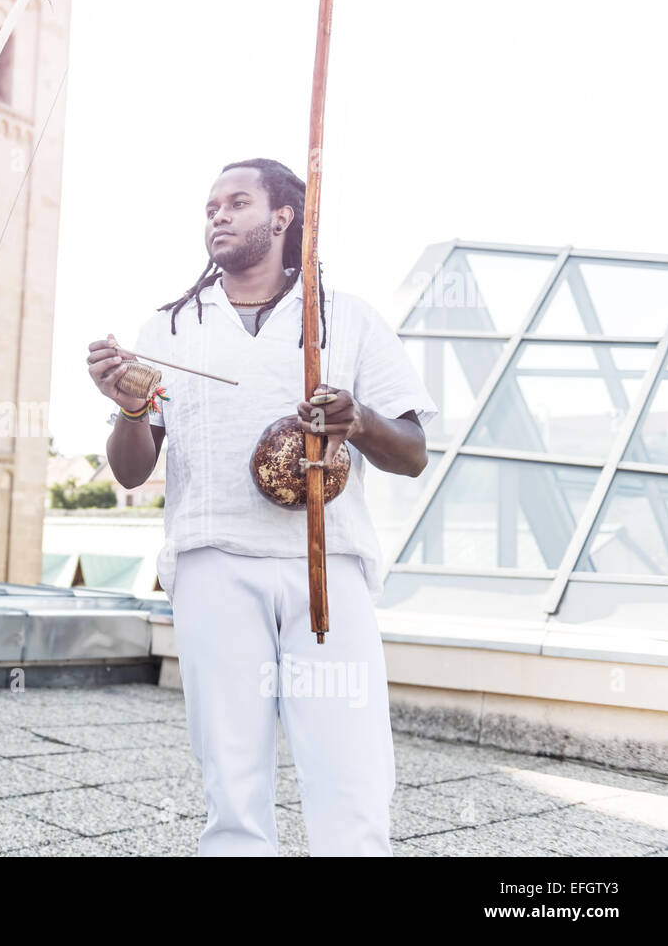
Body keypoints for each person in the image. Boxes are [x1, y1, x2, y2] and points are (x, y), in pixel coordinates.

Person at [85, 158, 438, 856]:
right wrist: (129, 408)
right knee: (232, 782)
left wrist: (357, 420)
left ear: (283, 217)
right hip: (212, 561)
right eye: (210, 205)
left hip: (326, 564)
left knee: (352, 779)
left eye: (236, 202)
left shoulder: (346, 316)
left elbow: (414, 451)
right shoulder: (168, 327)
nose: (216, 214)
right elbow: (132, 468)